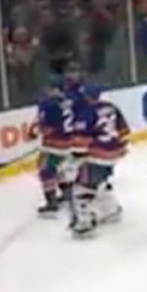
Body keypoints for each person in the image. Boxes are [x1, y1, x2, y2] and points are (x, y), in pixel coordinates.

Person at [70, 85, 130, 238]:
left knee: (82, 188)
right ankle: (112, 210)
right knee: (102, 180)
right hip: (116, 151)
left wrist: (76, 156)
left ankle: (85, 222)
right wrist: (119, 147)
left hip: (98, 153)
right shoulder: (111, 107)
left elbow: (80, 140)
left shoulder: (86, 111)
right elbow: (124, 131)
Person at [34, 75, 73, 216]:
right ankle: (67, 194)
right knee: (59, 167)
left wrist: (37, 130)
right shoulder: (69, 100)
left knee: (45, 169)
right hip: (69, 142)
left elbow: (46, 128)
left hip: (54, 144)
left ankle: (51, 203)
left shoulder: (48, 104)